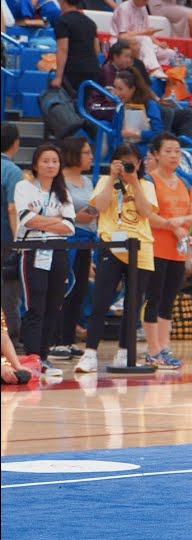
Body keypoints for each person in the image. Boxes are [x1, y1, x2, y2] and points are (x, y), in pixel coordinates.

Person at [75, 142, 156, 373]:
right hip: (111, 246)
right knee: (100, 302)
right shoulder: (104, 181)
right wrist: (112, 178)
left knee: (133, 305)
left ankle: (124, 352)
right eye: (123, 162)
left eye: (133, 162)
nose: (128, 166)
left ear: (139, 163)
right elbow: (99, 207)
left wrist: (134, 183)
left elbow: (146, 212)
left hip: (140, 249)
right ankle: (90, 353)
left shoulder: (146, 185)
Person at [14, 144, 75, 377]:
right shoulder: (24, 187)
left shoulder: (63, 191)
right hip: (32, 250)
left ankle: (44, 357)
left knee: (53, 305)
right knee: (35, 305)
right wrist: (56, 220)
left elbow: (70, 227)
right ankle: (32, 358)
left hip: (58, 250)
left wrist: (43, 220)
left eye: (55, 161)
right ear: (36, 164)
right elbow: (27, 220)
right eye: (46, 161)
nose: (50, 165)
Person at [143, 133, 192, 368]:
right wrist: (171, 226)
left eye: (177, 151)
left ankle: (164, 347)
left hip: (178, 250)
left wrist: (181, 222)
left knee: (169, 299)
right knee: (153, 298)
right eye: (168, 151)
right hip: (155, 248)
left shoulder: (185, 183)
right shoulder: (149, 182)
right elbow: (147, 215)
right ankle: (152, 349)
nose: (173, 155)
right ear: (156, 154)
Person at [48, 136, 96, 362]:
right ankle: (55, 340)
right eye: (87, 152)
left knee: (80, 290)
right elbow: (52, 212)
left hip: (86, 240)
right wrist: (77, 217)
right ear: (74, 154)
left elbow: (95, 208)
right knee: (63, 288)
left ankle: (68, 339)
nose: (91, 157)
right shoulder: (58, 181)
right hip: (66, 240)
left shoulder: (87, 181)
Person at [1, 125, 24, 351]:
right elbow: (12, 208)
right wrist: (19, 241)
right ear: (15, 143)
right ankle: (10, 343)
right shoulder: (13, 171)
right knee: (9, 293)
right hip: (5, 240)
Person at [112, 0, 176, 77]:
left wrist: (159, 43)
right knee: (145, 39)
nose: (147, 2)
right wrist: (144, 33)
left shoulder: (143, 8)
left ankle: (163, 71)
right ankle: (153, 69)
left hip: (142, 42)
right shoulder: (124, 8)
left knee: (170, 53)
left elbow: (147, 33)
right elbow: (122, 35)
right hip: (123, 42)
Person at [51, 0, 100, 98]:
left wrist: (58, 77)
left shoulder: (63, 21)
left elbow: (62, 49)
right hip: (92, 69)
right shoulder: (90, 22)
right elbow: (97, 49)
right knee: (85, 103)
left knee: (70, 104)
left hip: (73, 70)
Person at [112, 66, 164, 145]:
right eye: (115, 88)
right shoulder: (120, 108)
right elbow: (116, 133)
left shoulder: (150, 105)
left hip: (146, 150)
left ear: (132, 89)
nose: (117, 93)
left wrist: (136, 134)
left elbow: (158, 133)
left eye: (120, 89)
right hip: (124, 149)